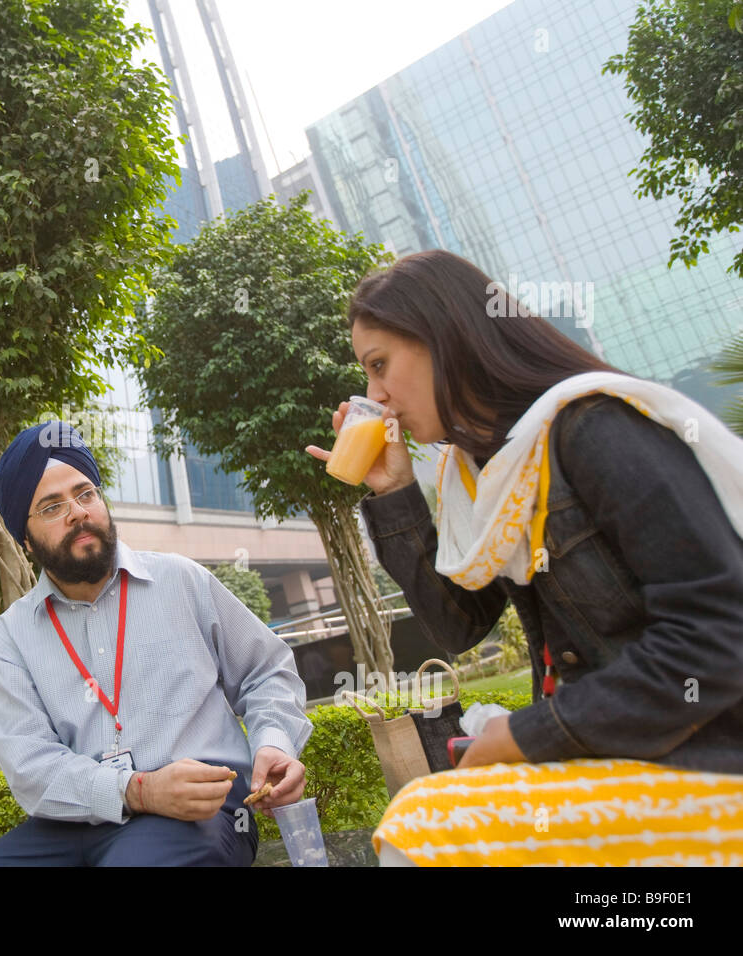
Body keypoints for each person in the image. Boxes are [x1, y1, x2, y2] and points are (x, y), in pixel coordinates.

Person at [305, 249, 743, 866]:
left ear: (446, 335)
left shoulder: (593, 426)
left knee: (420, 827)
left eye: (380, 366)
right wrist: (396, 492)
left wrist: (524, 734)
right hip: (625, 758)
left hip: (713, 754)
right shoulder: (484, 471)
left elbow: (721, 635)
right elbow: (459, 626)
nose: (374, 395)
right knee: (427, 817)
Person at [0, 420, 311, 866]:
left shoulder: (180, 580)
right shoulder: (12, 636)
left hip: (199, 812)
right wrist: (137, 791)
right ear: (26, 542)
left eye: (85, 493)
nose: (77, 512)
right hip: (74, 825)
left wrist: (274, 742)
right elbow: (30, 763)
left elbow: (266, 671)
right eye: (52, 507)